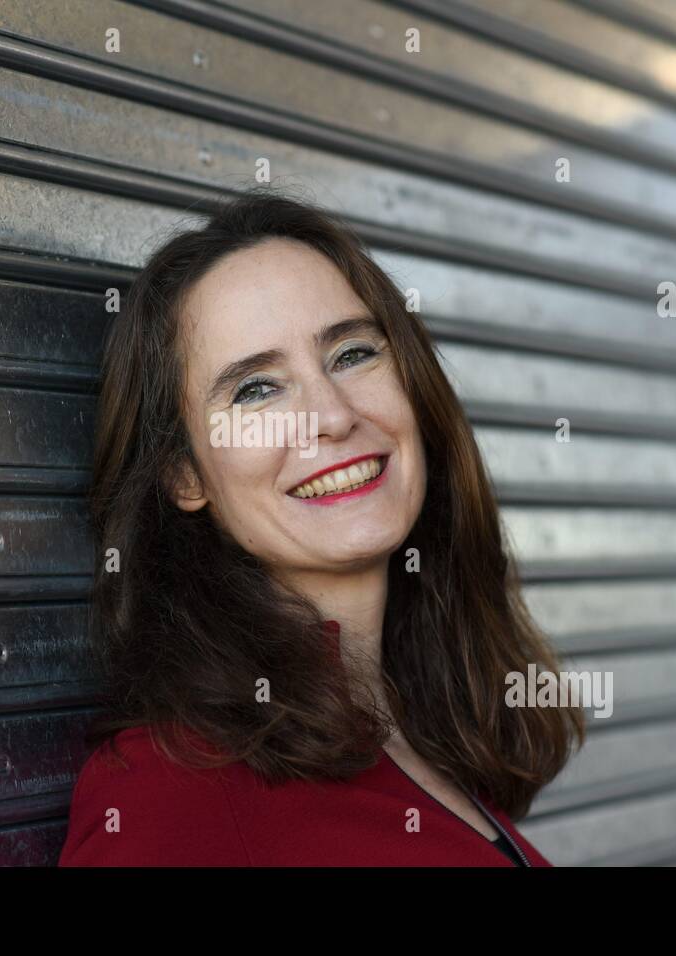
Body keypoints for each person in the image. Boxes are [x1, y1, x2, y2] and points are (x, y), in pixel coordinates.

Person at [58, 187, 584, 866]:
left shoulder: (424, 742)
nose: (331, 416)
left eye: (352, 354)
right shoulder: (171, 788)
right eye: (257, 389)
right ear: (184, 476)